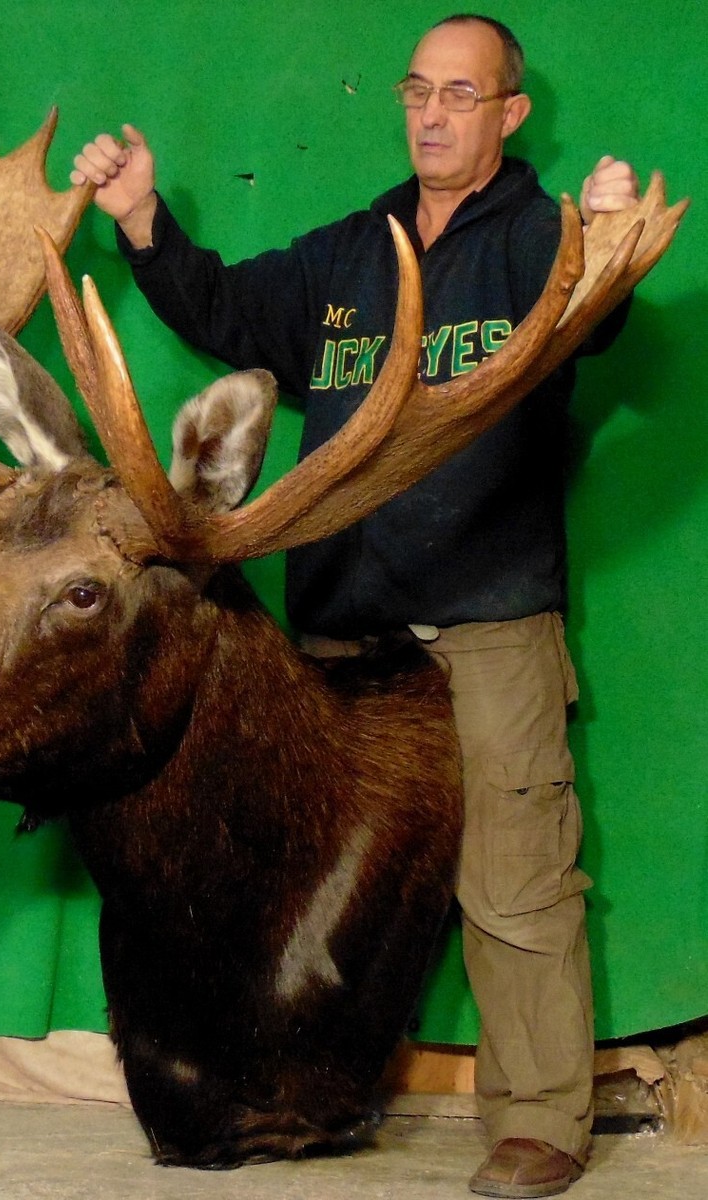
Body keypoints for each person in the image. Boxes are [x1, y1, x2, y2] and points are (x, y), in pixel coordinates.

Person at [71, 12, 642, 1198]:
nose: (432, 114)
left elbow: (597, 319)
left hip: (483, 618)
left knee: (513, 879)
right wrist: (140, 219)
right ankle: (297, 1097)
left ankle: (537, 1121)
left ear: (507, 114)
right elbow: (226, 312)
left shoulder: (545, 240)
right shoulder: (351, 253)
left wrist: (611, 243)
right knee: (317, 879)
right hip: (341, 630)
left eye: (459, 95)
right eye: (416, 91)